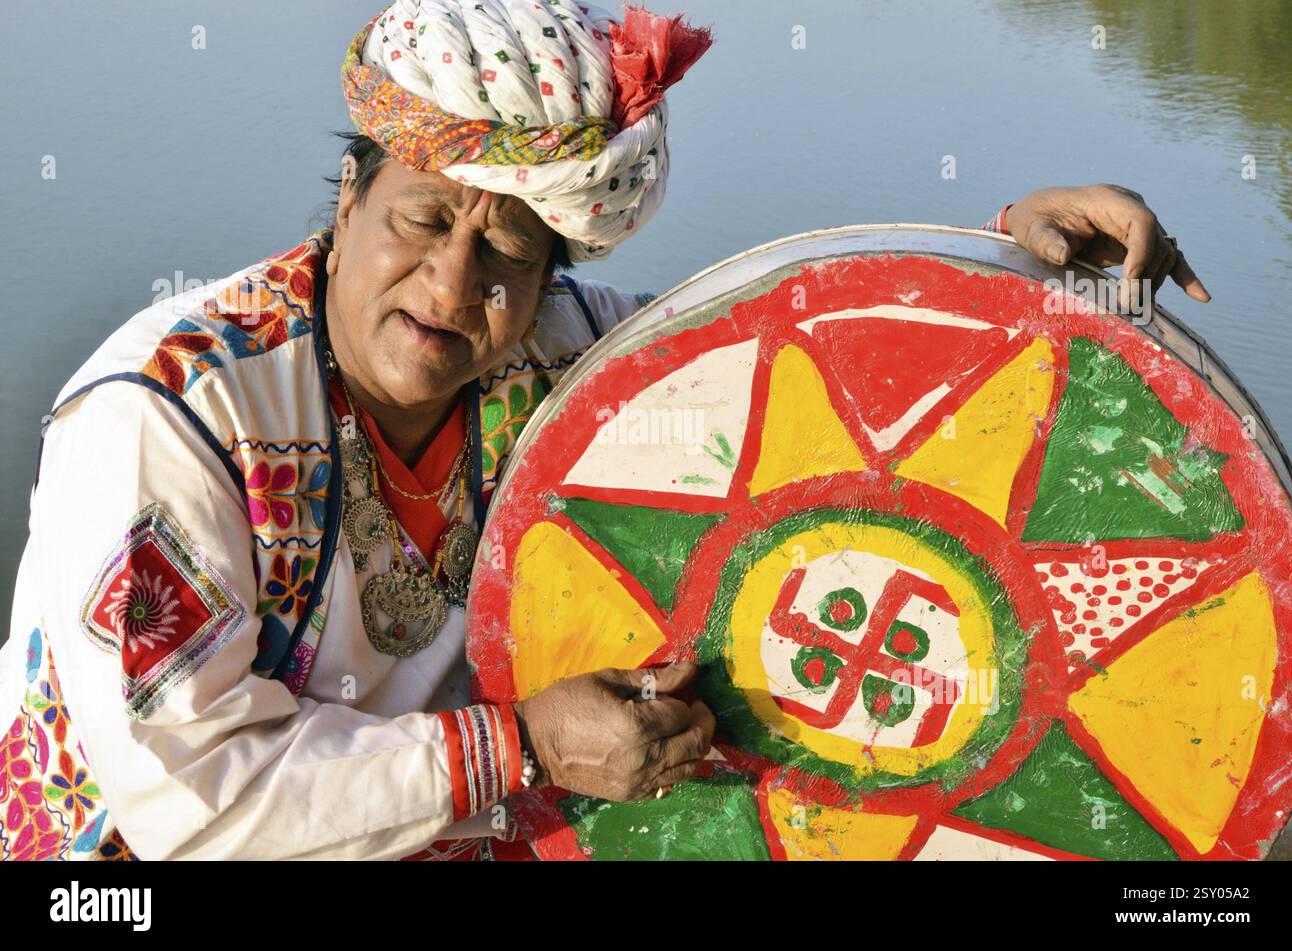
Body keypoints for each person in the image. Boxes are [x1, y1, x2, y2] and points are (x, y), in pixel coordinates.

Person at [0, 0, 1209, 861]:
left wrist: (1007, 255)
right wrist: (516, 745)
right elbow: (184, 807)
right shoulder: (170, 420)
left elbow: (811, 362)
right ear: (346, 198)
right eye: (422, 220)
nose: (449, 284)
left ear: (547, 276)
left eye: (509, 254)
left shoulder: (557, 351)